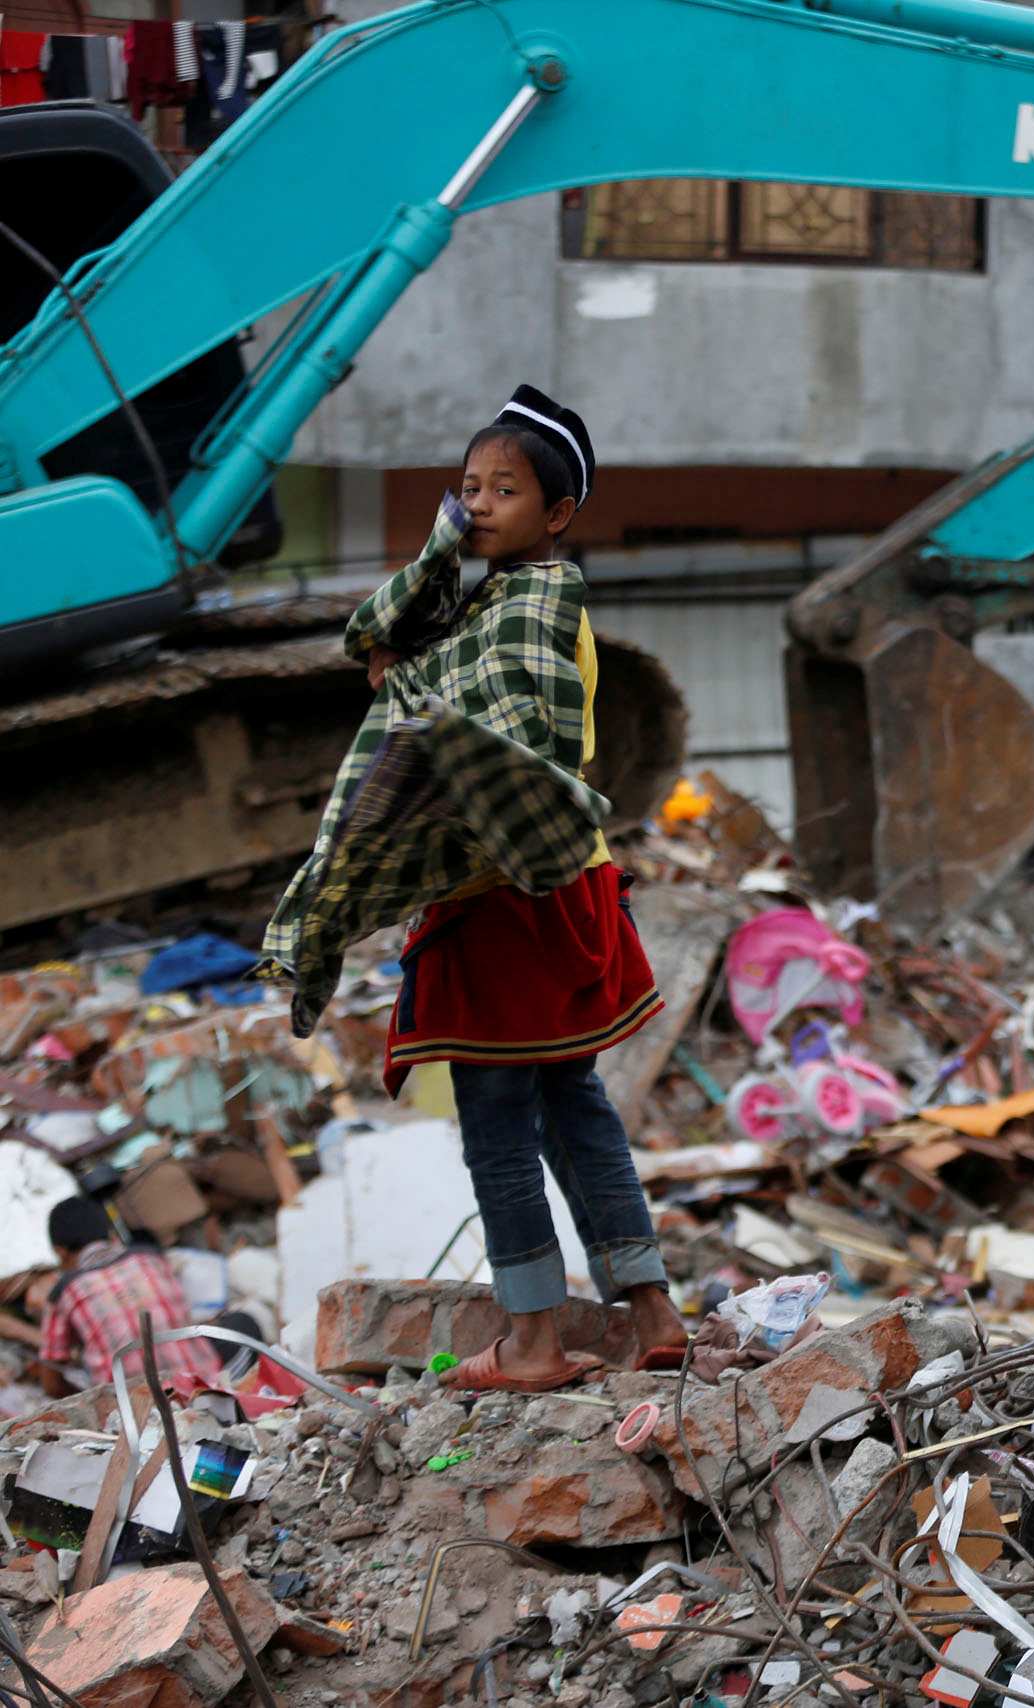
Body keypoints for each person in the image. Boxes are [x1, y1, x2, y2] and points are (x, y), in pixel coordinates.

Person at [359, 387, 686, 1392]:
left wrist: (401, 682)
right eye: (468, 488)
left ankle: (535, 1341)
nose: (479, 505)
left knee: (498, 1119)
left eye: (505, 489)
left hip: (502, 895)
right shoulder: (535, 606)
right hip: (571, 883)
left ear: (558, 513)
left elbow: (459, 729)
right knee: (573, 1101)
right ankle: (653, 1310)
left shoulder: (518, 614)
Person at [36, 1197, 225, 1397]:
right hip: (207, 1387)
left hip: (139, 1408)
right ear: (109, 1233)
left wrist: (92, 1401)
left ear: (60, 1251)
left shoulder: (64, 1291)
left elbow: (52, 1384)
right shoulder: (153, 1258)